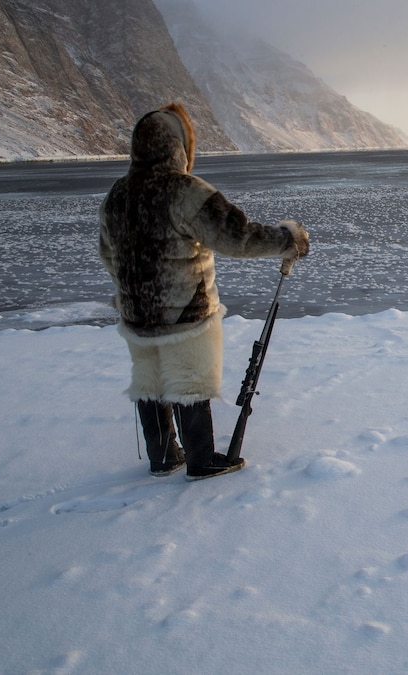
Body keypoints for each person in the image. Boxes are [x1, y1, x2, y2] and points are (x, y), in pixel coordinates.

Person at [99, 103, 308, 480]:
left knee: (151, 378)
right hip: (185, 311)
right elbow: (236, 236)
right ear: (178, 146)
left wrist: (129, 291)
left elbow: (107, 252)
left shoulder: (117, 194)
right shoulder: (185, 191)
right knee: (191, 378)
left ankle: (162, 455)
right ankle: (201, 459)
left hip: (137, 312)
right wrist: (285, 239)